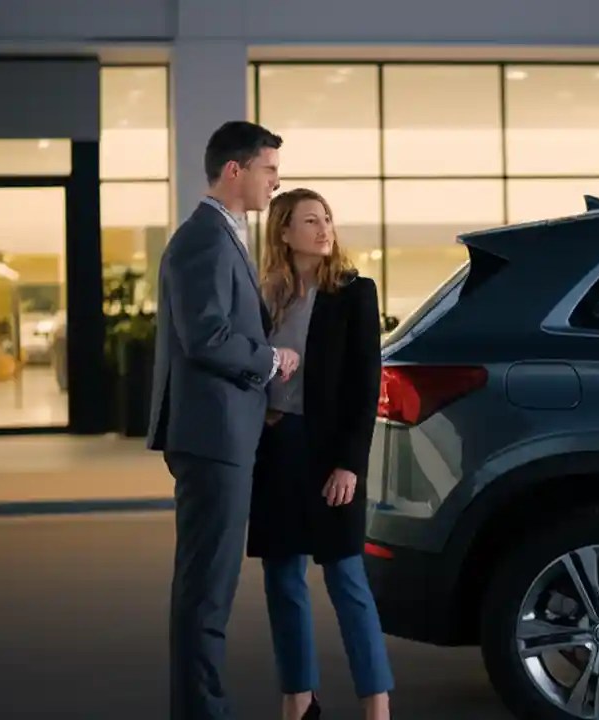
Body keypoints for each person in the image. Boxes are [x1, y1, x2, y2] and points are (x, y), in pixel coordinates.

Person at [147, 120, 298, 719]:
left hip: (223, 434)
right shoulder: (203, 240)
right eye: (269, 170)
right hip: (212, 438)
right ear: (234, 170)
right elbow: (207, 336)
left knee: (210, 587)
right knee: (206, 592)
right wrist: (269, 359)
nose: (275, 183)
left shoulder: (223, 236)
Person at [246, 188, 393, 720]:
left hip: (332, 452)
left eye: (327, 218)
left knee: (346, 577)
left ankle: (376, 704)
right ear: (284, 232)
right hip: (278, 448)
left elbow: (365, 383)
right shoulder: (266, 295)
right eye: (311, 220)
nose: (324, 228)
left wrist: (350, 463)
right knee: (282, 578)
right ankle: (299, 701)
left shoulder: (355, 292)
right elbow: (249, 365)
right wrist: (259, 408)